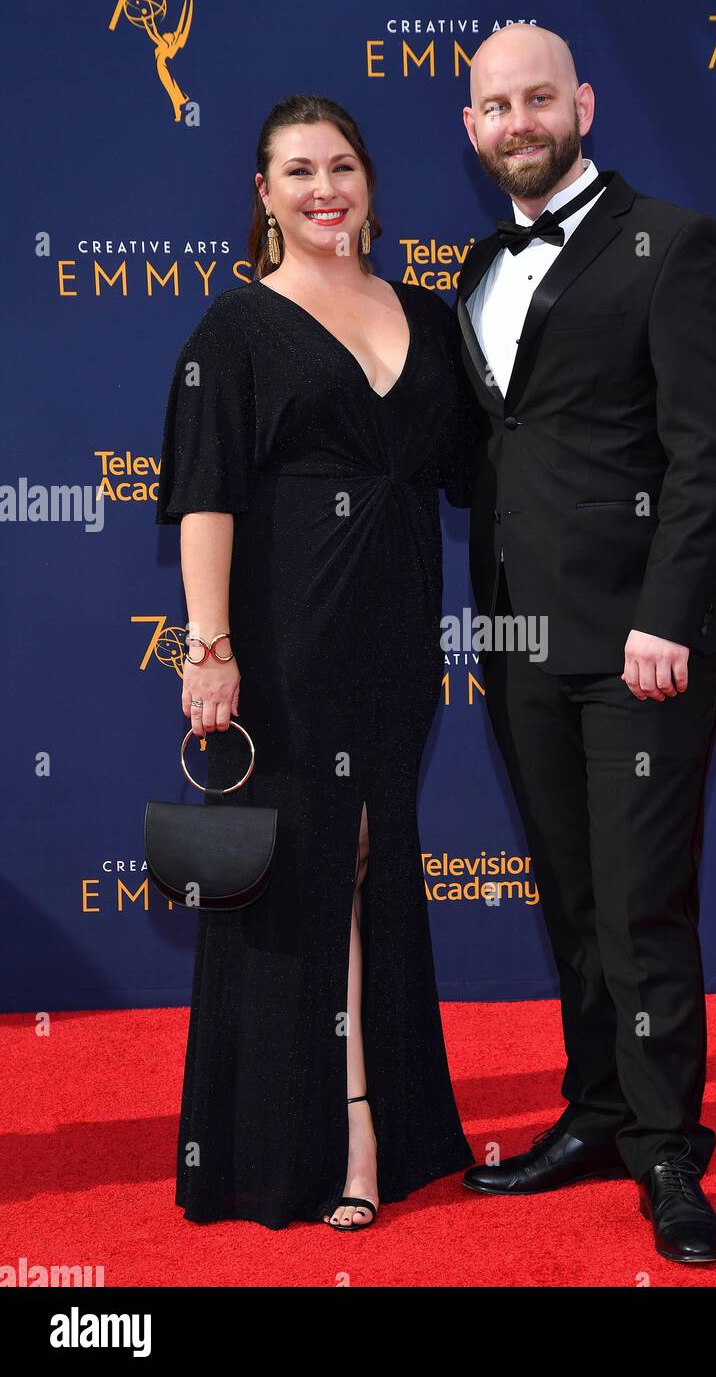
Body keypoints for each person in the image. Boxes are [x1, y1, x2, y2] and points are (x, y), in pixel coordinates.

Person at [454, 26, 716, 1264]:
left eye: (538, 98)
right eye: (493, 106)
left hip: (643, 646)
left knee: (641, 908)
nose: (518, 121)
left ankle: (671, 1153)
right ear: (470, 128)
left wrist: (663, 619)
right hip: (522, 637)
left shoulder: (672, 243)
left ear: (580, 103)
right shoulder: (478, 263)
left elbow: (706, 451)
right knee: (574, 898)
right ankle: (597, 1109)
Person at [155, 95, 478, 1232]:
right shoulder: (235, 332)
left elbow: (485, 466)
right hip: (287, 643)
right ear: (264, 194)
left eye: (341, 165)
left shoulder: (430, 317)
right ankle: (346, 1136)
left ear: (371, 183)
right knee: (312, 874)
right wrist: (210, 645)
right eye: (297, 170)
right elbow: (204, 496)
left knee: (375, 859)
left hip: (397, 643)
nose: (323, 188)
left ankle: (389, 1114)